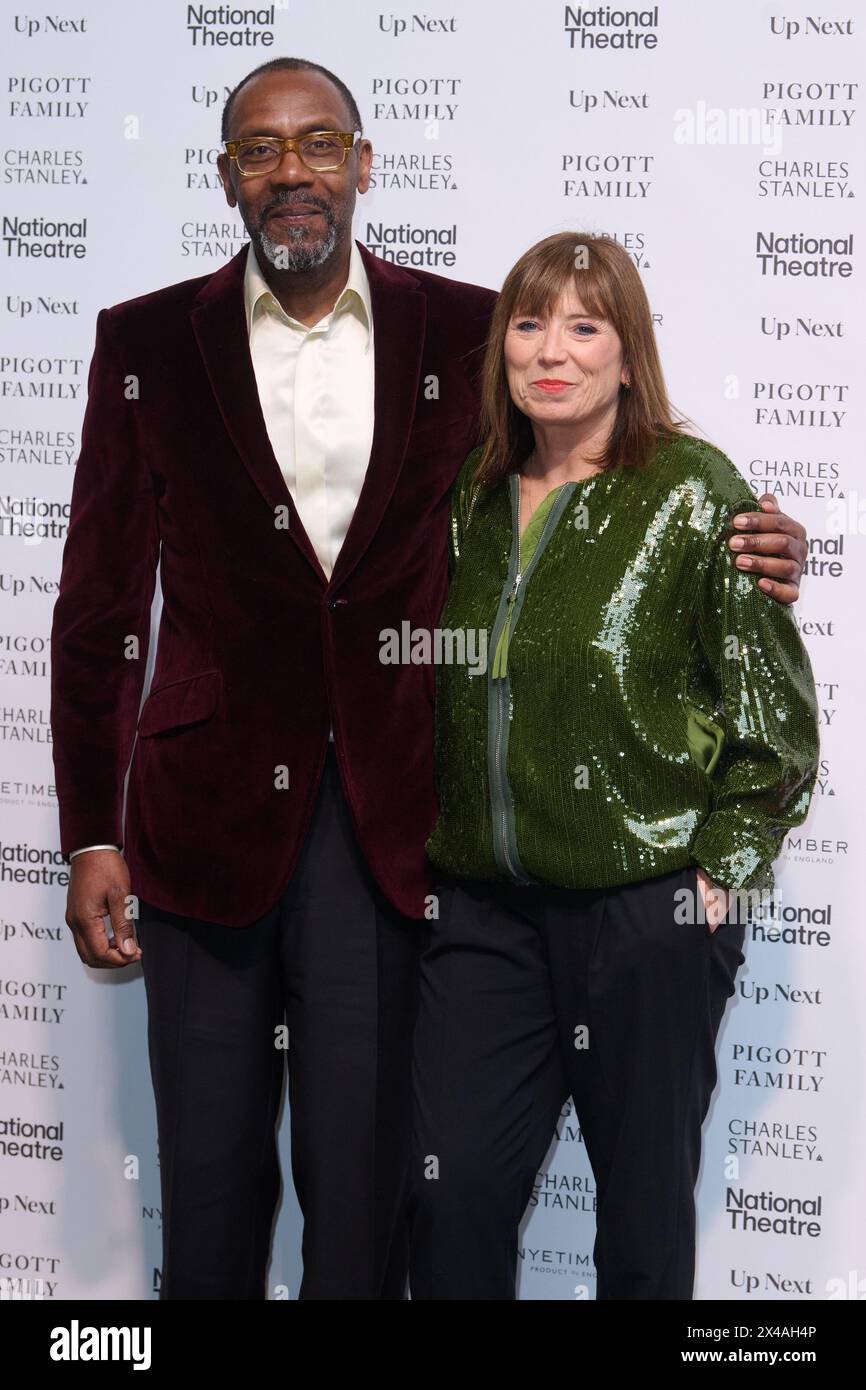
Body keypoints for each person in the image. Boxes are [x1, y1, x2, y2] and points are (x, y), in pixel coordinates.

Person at [49, 56, 808, 1302]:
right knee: (207, 1191)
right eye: (258, 147)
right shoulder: (143, 342)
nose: (290, 170)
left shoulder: (466, 328)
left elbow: (597, 447)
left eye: (318, 143)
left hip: (392, 836)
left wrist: (754, 536)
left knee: (369, 1194)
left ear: (362, 164)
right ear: (225, 175)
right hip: (197, 828)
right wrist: (89, 836)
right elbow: (95, 611)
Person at [409, 231, 820, 1301]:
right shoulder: (472, 493)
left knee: (639, 1227)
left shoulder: (691, 491)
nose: (553, 351)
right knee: (448, 1200)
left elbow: (771, 717)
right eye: (529, 324)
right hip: (482, 916)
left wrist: (714, 878)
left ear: (627, 355)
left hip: (643, 913)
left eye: (585, 327)